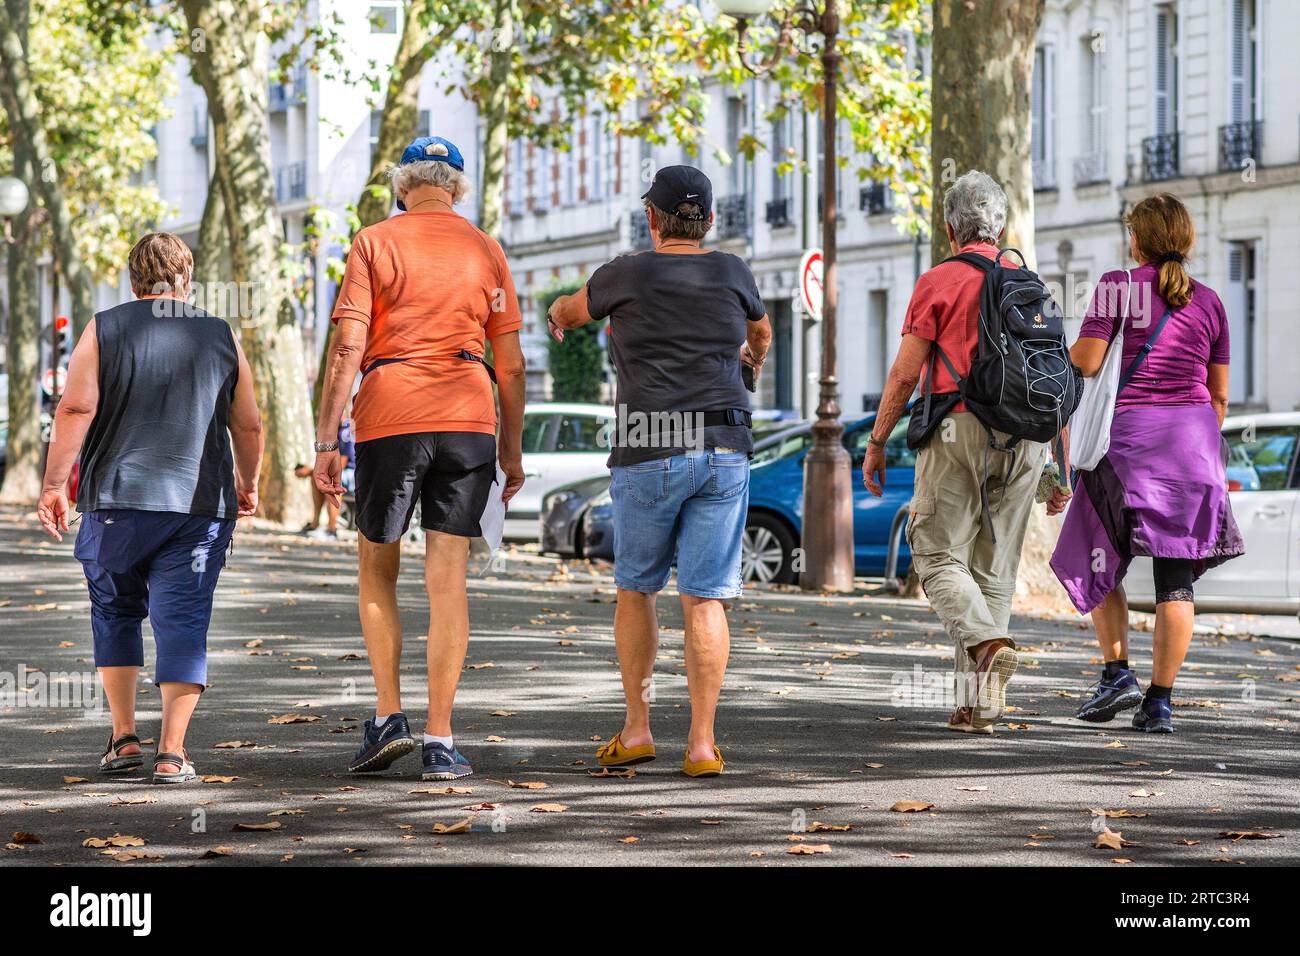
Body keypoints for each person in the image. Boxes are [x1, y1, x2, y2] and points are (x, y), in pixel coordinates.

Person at [547, 165, 773, 777]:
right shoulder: (733, 271)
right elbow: (761, 330)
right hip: (724, 446)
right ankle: (701, 745)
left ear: (652, 218)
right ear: (710, 223)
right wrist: (748, 360)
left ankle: (639, 729)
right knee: (706, 598)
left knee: (637, 587)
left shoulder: (626, 272)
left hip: (649, 445)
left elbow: (570, 312)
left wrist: (556, 316)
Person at [314, 135, 526, 780]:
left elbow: (348, 348)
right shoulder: (487, 249)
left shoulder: (373, 242)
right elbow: (511, 365)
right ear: (457, 189)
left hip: (389, 415)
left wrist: (327, 441)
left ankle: (387, 718)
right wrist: (510, 453)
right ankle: (441, 738)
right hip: (467, 417)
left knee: (378, 567)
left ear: (400, 187)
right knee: (448, 580)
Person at [36, 232, 263, 784]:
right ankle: (172, 753)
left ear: (132, 278)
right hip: (198, 505)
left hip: (116, 501)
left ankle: (122, 739)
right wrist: (247, 482)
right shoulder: (220, 334)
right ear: (186, 279)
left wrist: (53, 483)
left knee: (115, 612)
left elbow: (75, 407)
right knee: (183, 621)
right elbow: (249, 422)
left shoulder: (105, 327)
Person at [862, 170, 1055, 734]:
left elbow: (904, 374)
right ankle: (979, 706)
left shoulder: (939, 280)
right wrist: (1057, 466)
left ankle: (988, 643)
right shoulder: (1030, 281)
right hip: (1027, 437)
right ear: (1000, 228)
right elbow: (1053, 376)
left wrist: (877, 443)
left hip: (957, 427)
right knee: (993, 568)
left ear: (950, 230)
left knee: (936, 554)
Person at [1050, 193, 1243, 733]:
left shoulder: (1118, 286)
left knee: (1095, 552)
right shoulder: (1210, 303)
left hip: (1129, 448)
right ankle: (1159, 703)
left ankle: (1117, 673)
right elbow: (1219, 397)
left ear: (1138, 239)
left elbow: (1086, 362)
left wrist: (1050, 356)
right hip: (1195, 452)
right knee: (1175, 582)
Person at [296, 414, 354, 539]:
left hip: (353, 472)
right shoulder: (329, 431)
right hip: (338, 470)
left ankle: (332, 529)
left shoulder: (345, 430)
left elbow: (342, 462)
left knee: (331, 479)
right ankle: (315, 522)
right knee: (317, 476)